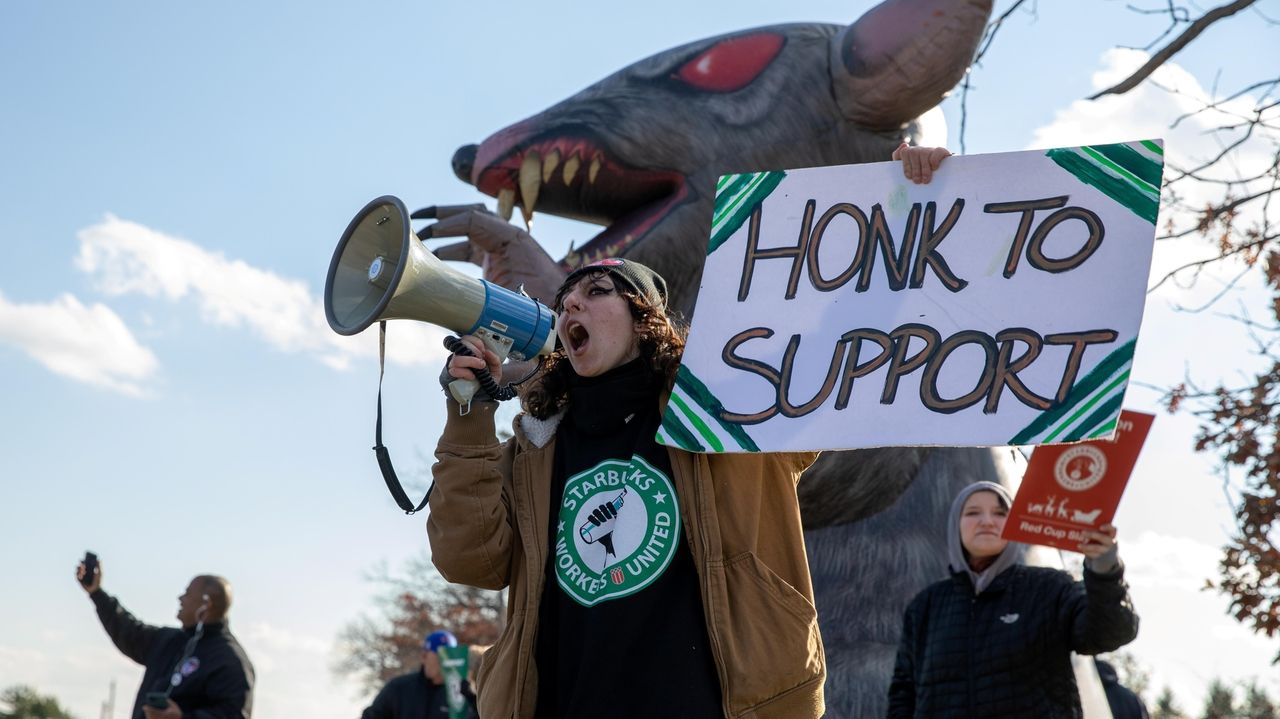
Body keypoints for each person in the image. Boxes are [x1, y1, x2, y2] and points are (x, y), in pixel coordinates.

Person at [425, 144, 949, 719]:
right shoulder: (537, 443)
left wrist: (907, 203)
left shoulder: (727, 412)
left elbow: (842, 336)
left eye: (595, 294)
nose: (571, 308)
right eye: (565, 303)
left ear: (646, 320)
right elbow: (471, 562)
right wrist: (469, 419)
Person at [886, 481, 1140, 718]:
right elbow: (903, 693)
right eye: (973, 512)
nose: (987, 521)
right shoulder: (926, 606)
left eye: (1000, 513)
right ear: (956, 525)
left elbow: (1111, 632)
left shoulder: (1049, 588)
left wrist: (1104, 568)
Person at [76, 557, 254, 719]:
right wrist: (97, 593)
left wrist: (181, 718)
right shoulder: (170, 641)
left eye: (187, 593)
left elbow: (234, 716)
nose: (180, 599)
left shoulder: (229, 661)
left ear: (206, 603)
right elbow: (129, 632)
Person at [360, 629, 478, 719]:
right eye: (440, 655)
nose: (445, 661)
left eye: (450, 655)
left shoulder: (463, 694)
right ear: (424, 656)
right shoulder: (399, 688)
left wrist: (474, 699)